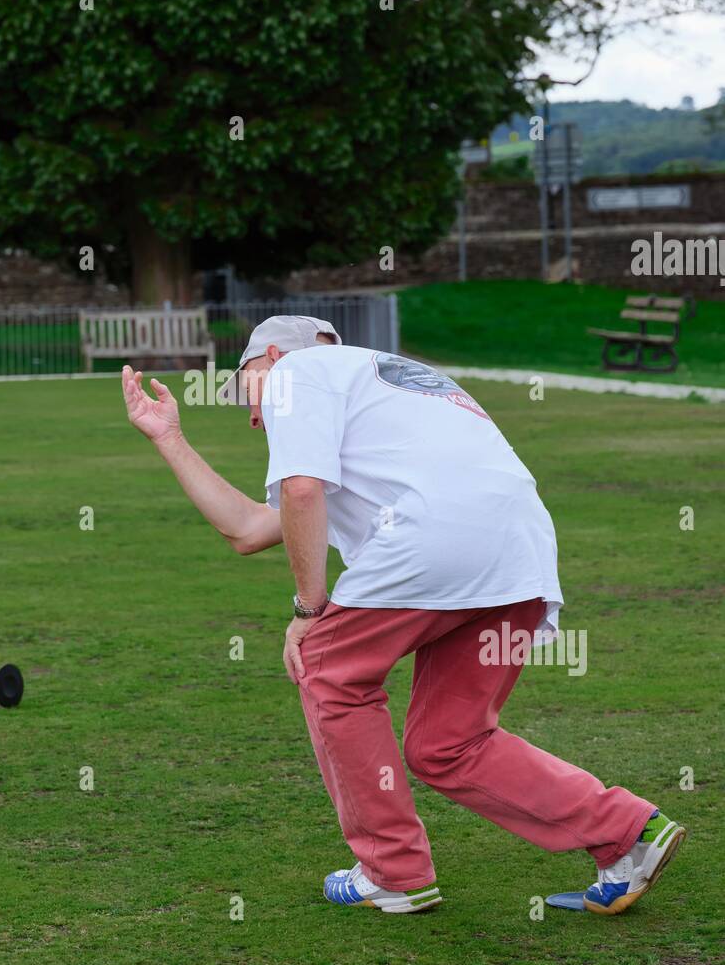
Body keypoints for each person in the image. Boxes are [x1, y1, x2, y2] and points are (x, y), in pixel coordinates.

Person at [121, 315, 685, 916]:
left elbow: (303, 493)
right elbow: (251, 528)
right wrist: (169, 440)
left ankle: (393, 872)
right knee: (450, 743)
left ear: (276, 355)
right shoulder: (392, 386)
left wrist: (310, 610)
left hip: (432, 543)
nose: (251, 413)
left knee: (327, 666)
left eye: (246, 386)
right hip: (520, 552)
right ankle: (629, 831)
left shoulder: (297, 374)